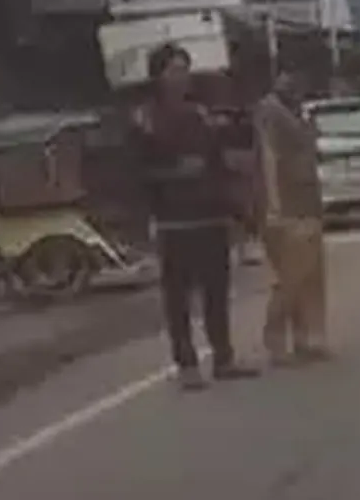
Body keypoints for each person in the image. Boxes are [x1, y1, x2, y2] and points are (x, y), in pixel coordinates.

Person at [132, 42, 259, 391]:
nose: (180, 76)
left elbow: (218, 165)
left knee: (217, 293)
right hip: (174, 222)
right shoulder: (145, 119)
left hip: (211, 217)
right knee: (178, 298)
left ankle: (224, 357)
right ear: (158, 76)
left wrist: (240, 210)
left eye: (184, 69)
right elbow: (135, 173)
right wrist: (176, 172)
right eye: (173, 69)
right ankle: (186, 363)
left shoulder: (201, 114)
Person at [253, 68, 331, 366]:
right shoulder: (270, 111)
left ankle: (304, 338)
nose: (295, 84)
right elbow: (268, 157)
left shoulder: (297, 110)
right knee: (291, 276)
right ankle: (274, 337)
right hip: (285, 205)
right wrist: (273, 204)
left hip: (307, 200)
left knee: (311, 275)